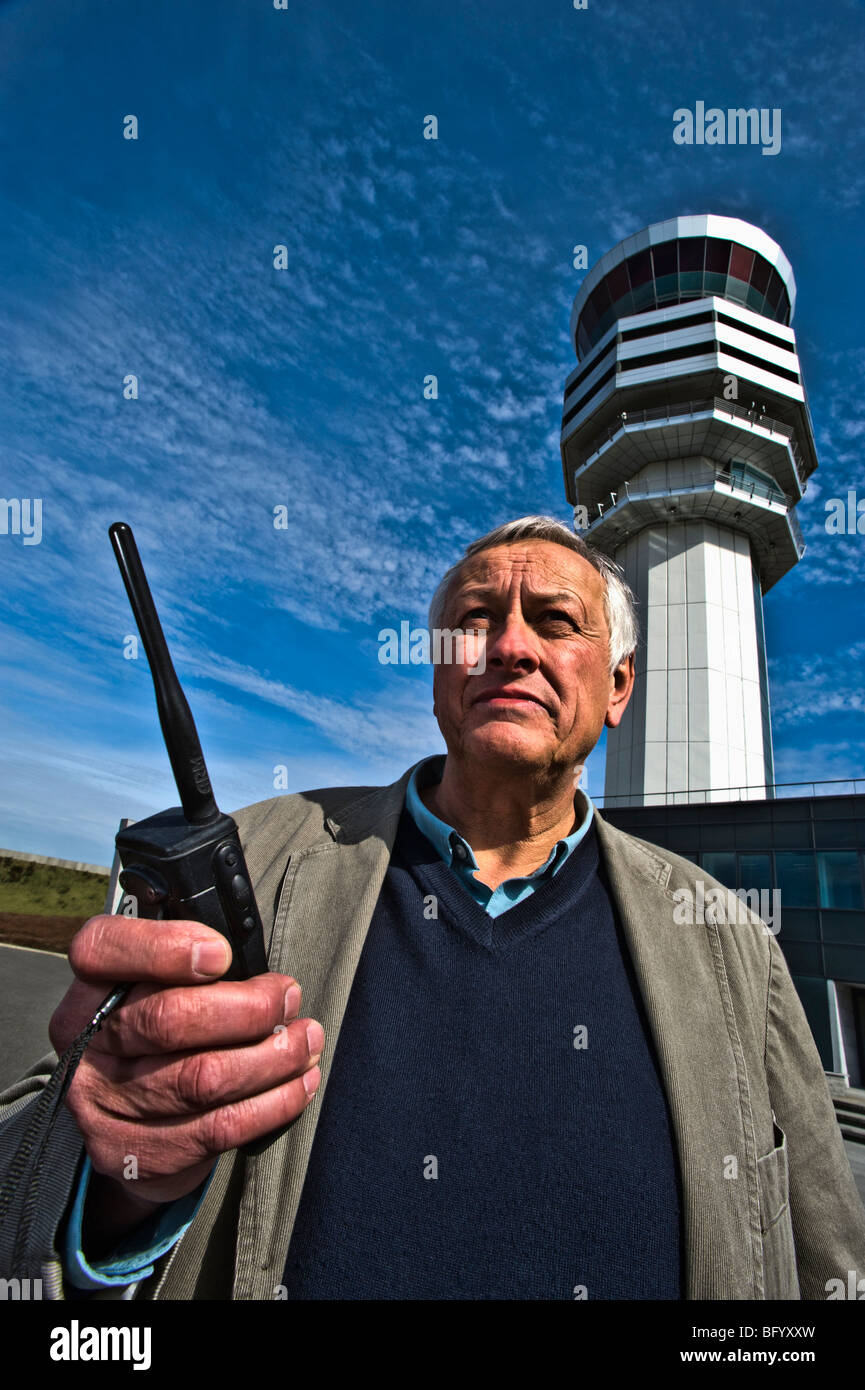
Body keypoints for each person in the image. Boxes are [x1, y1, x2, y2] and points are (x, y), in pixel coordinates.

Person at [2, 514, 864, 1300]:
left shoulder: (728, 942)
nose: (510, 647)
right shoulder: (247, 865)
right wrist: (109, 1177)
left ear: (619, 687)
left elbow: (827, 1253)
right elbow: (33, 1151)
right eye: (475, 620)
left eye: (557, 621)